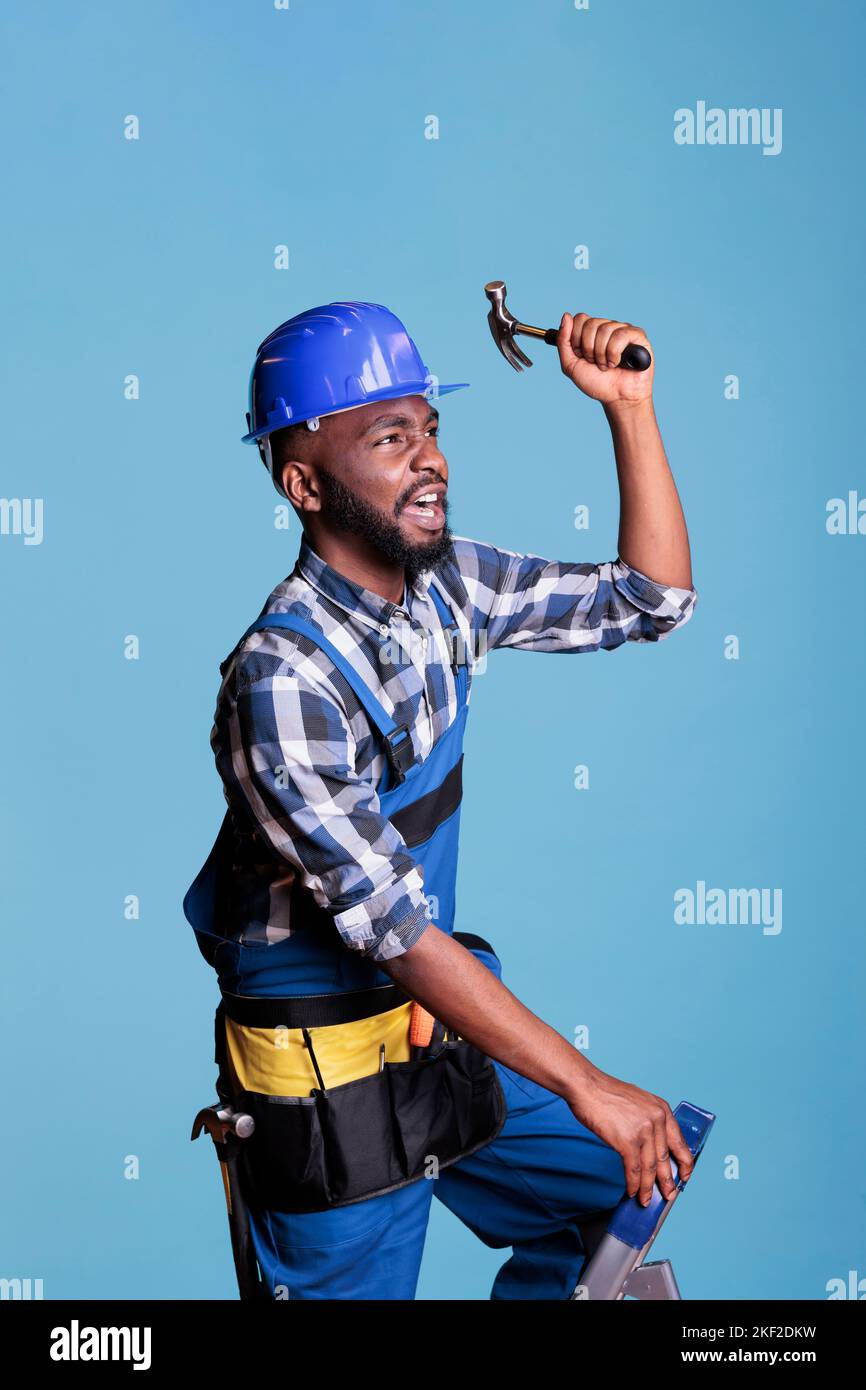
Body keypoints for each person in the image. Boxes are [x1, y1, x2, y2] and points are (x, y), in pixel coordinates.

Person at [185, 299, 698, 1300]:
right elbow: (394, 928)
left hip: (433, 1030)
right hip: (328, 1093)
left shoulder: (448, 588)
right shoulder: (282, 679)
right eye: (389, 438)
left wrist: (628, 409)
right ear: (303, 484)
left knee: (621, 1188)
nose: (431, 460)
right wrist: (586, 1084)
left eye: (429, 429)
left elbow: (651, 599)